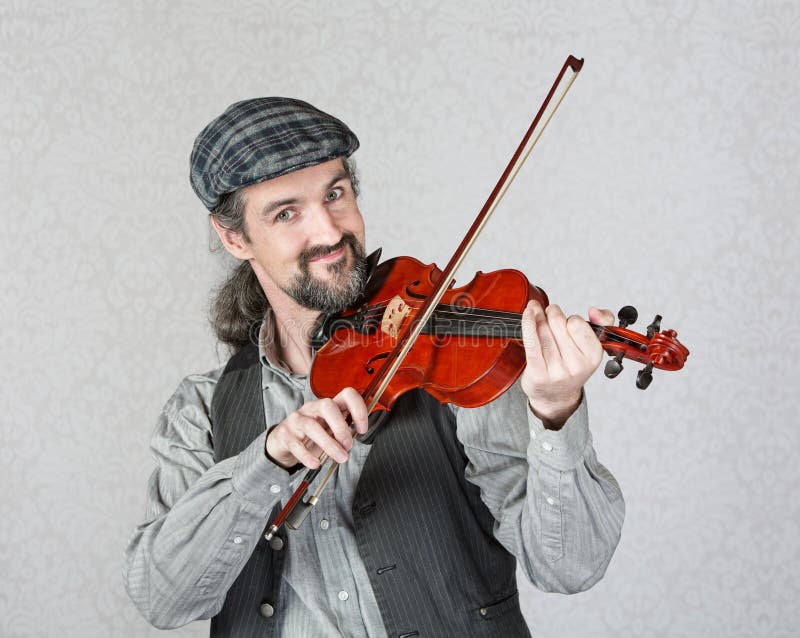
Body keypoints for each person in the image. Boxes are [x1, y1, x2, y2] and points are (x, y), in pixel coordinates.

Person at [123, 98, 625, 638]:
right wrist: (263, 464)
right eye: (286, 213)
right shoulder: (201, 409)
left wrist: (556, 412)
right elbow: (162, 601)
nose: (328, 231)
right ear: (234, 237)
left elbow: (570, 568)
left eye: (335, 194)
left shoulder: (451, 364)